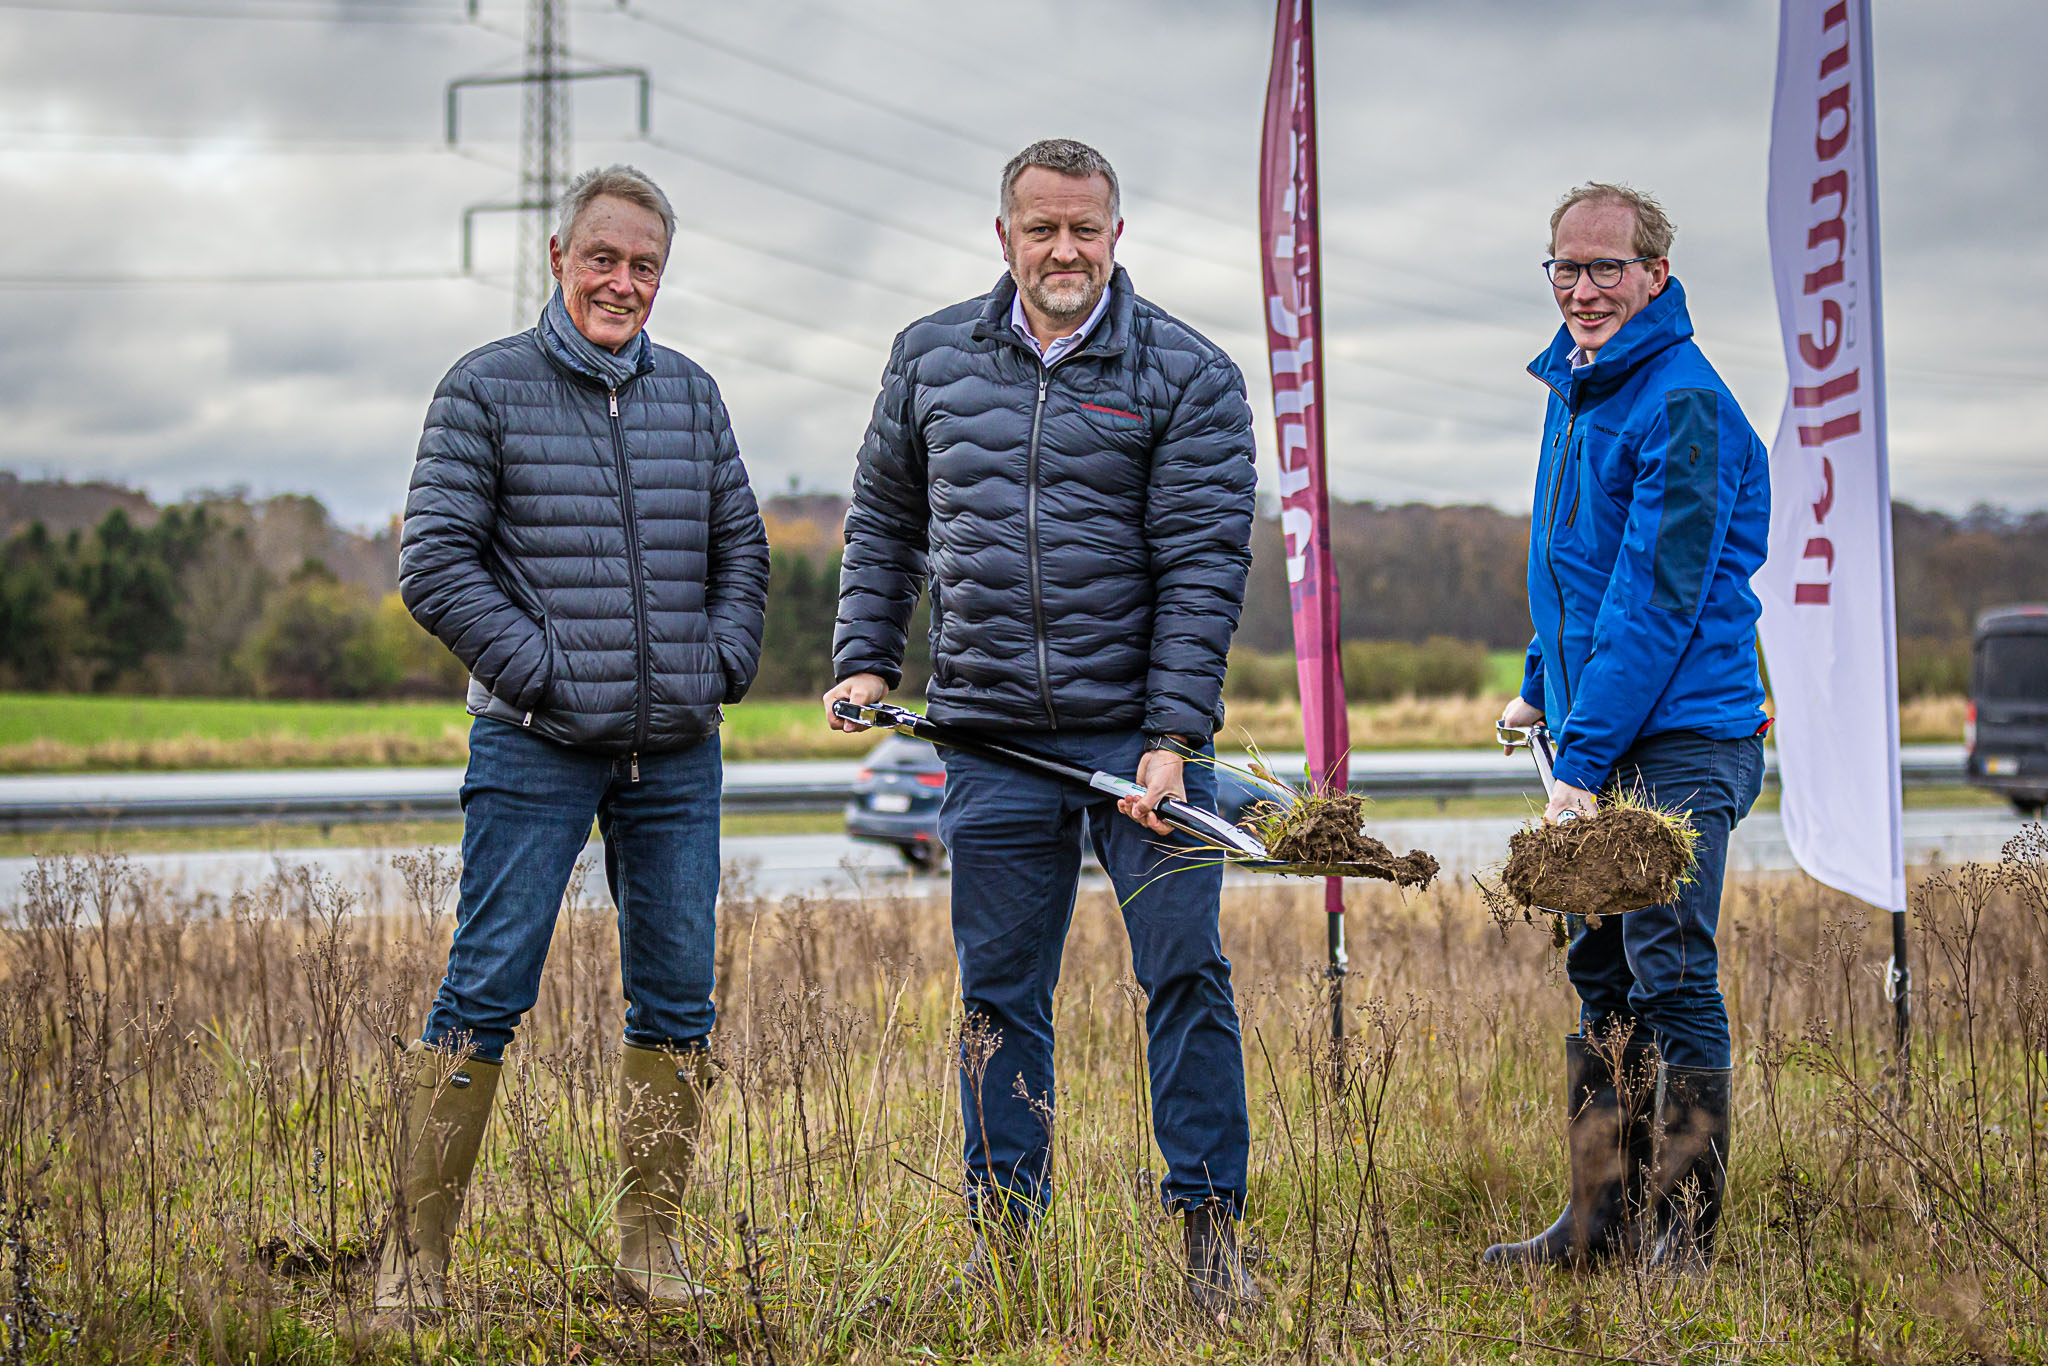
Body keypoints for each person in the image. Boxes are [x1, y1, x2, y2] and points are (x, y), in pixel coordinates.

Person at [823, 139, 1260, 1311]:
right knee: (997, 994)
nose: (1062, 250)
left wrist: (1171, 735)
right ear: (1002, 235)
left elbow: (1202, 565)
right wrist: (866, 655)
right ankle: (1004, 1246)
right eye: (1040, 229)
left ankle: (1211, 1241)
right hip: (990, 738)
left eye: (1084, 229)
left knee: (1183, 975)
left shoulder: (1187, 373)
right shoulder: (927, 358)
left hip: (1141, 741)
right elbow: (882, 517)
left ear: (1116, 235)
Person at [379, 164, 769, 1314]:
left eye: (644, 264)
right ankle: (414, 1267)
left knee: (678, 999)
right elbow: (434, 565)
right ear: (558, 258)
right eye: (603, 257)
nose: (623, 281)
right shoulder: (483, 388)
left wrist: (720, 665)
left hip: (675, 755)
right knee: (485, 986)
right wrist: (545, 676)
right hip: (532, 744)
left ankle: (649, 1254)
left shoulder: (692, 397)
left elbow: (742, 551)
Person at [1486, 183, 1770, 1273]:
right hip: (1597, 725)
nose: (1582, 287)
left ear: (1655, 272)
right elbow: (1579, 576)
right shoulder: (1578, 388)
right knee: (1597, 967)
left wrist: (1585, 759)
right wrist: (1535, 685)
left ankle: (1684, 1238)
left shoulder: (1679, 402)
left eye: (1606, 266)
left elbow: (1657, 597)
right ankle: (1597, 1225)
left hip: (1684, 736)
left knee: (1667, 970)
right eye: (1564, 266)